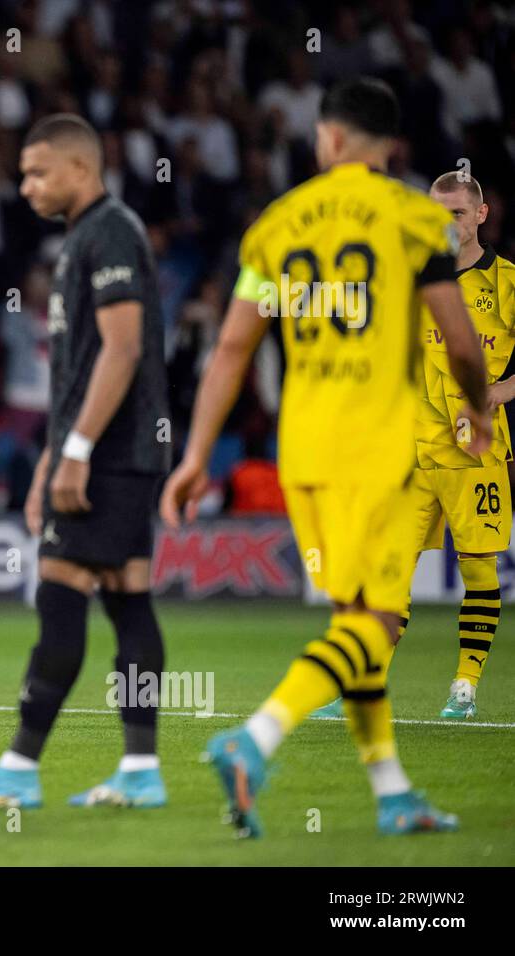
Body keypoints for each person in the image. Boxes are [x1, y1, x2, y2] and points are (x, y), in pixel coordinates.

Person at [162, 77, 488, 837]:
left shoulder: (277, 224)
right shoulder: (416, 220)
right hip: (380, 446)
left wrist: (196, 455)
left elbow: (233, 347)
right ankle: (256, 738)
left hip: (303, 452)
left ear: (333, 140)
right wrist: (475, 404)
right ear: (391, 148)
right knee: (378, 623)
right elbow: (461, 339)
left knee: (353, 620)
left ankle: (392, 791)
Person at [0, 114, 172, 812]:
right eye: (23, 173)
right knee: (128, 598)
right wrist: (48, 461)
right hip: (113, 450)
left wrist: (75, 453)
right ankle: (140, 769)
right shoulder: (79, 242)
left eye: (37, 172)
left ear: (80, 168)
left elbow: (123, 351)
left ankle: (18, 768)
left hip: (112, 452)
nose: (25, 184)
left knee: (60, 593)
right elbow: (79, 370)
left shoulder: (111, 232)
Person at [313, 171, 515, 722]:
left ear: (480, 215)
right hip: (408, 451)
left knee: (478, 570)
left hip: (475, 452)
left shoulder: (506, 282)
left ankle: (465, 686)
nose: (443, 224)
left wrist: (495, 392)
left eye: (454, 213)